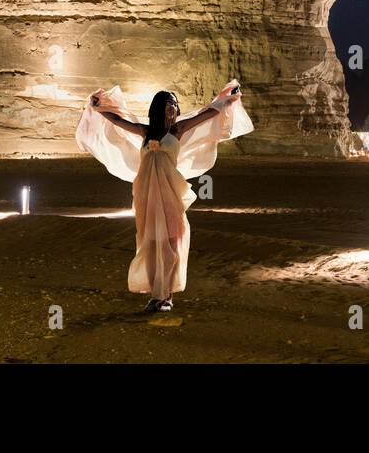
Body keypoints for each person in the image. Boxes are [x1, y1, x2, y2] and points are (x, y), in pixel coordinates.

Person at [75, 80, 251, 312]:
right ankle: (154, 294)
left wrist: (228, 97)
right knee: (149, 241)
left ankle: (166, 295)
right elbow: (118, 121)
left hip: (170, 193)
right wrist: (98, 106)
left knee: (171, 240)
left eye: (175, 104)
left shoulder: (178, 130)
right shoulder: (146, 131)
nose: (172, 106)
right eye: (168, 103)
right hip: (146, 194)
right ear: (159, 107)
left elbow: (208, 113)